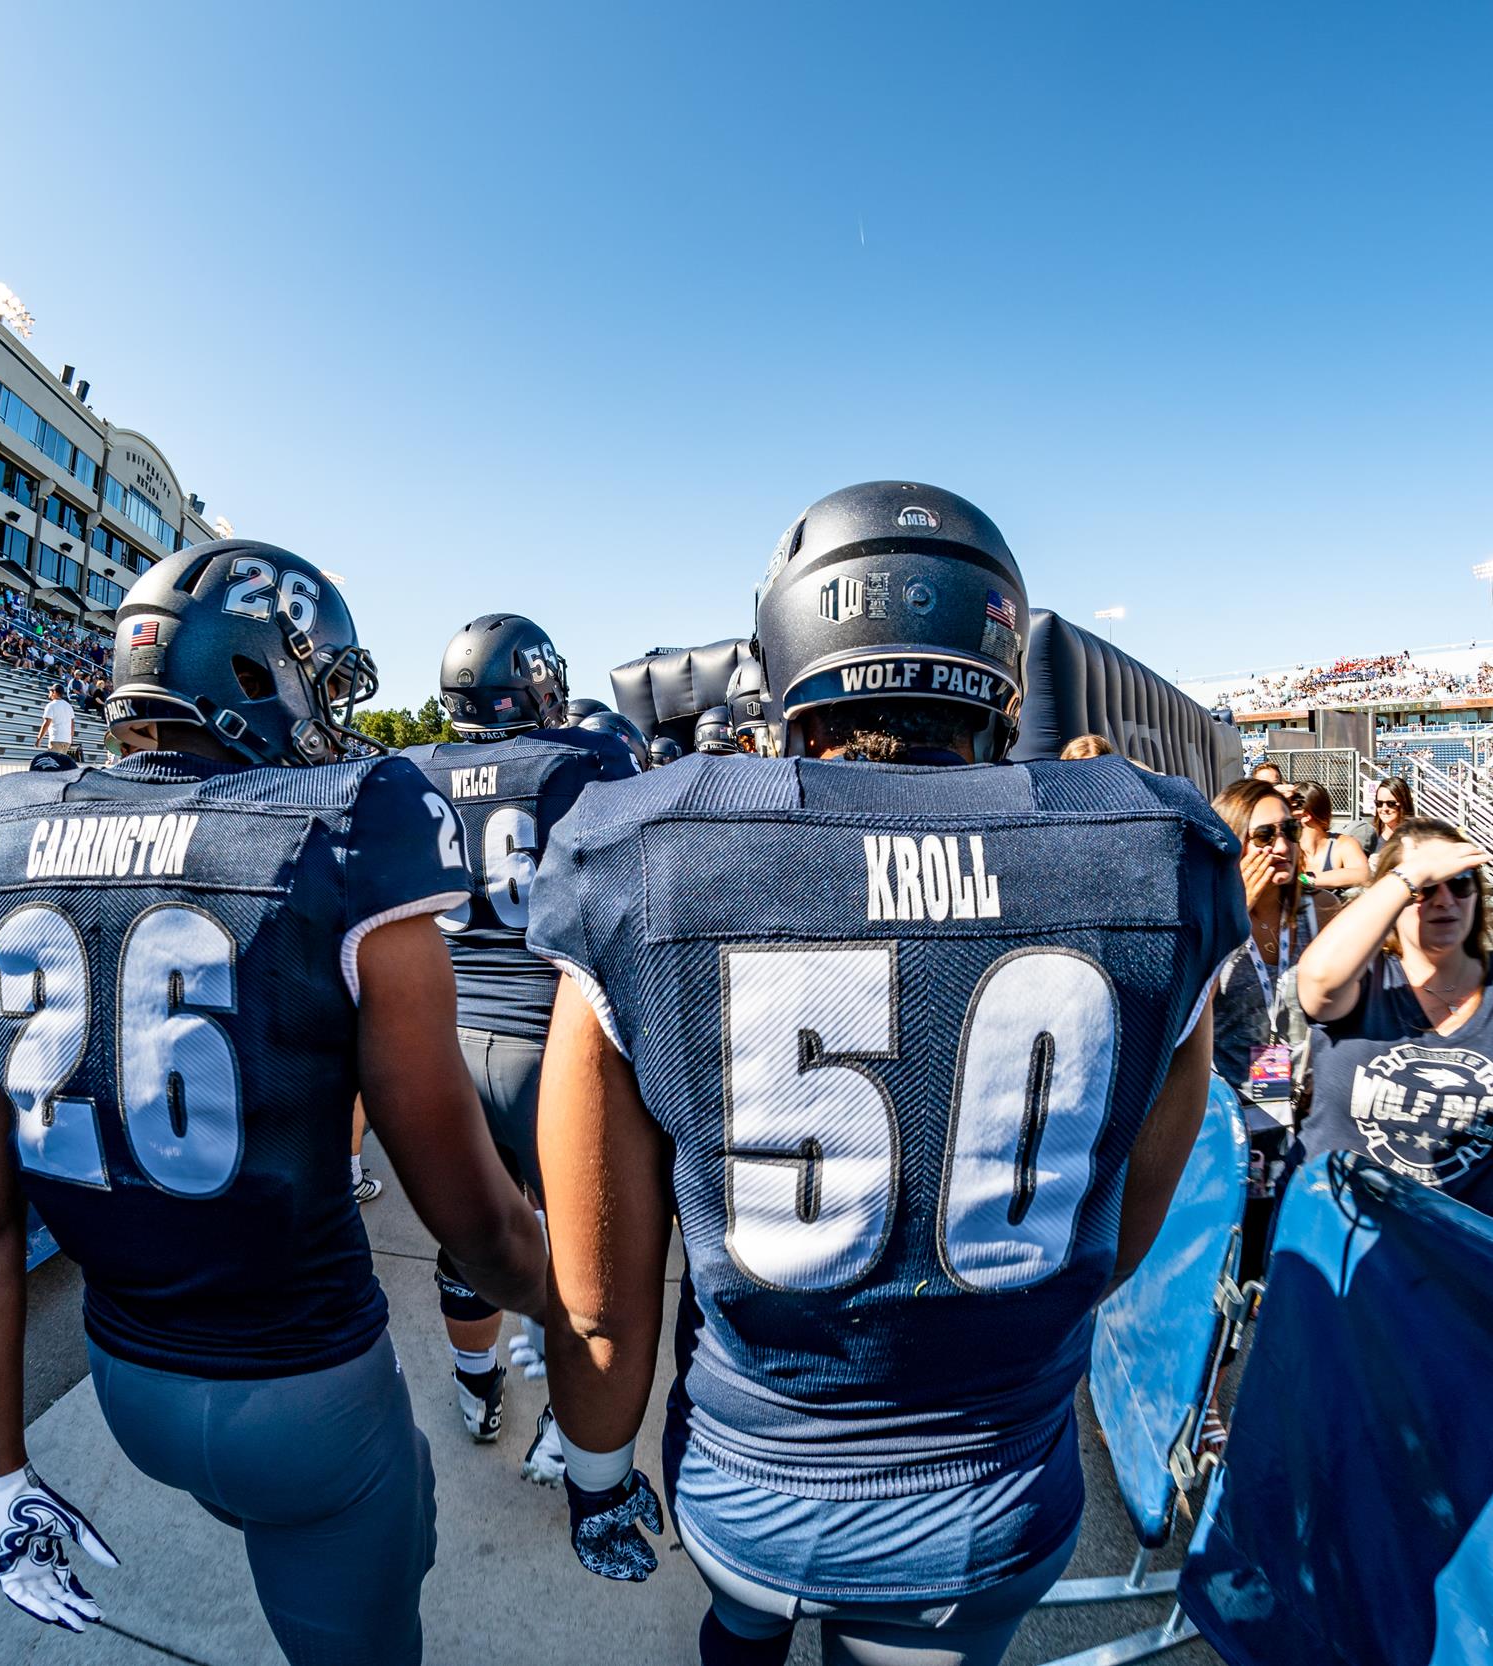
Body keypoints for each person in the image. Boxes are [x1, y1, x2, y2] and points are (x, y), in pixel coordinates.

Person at [530, 482, 1243, 1665]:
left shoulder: (644, 849)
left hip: (746, 1478)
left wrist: (599, 1478)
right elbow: (1113, 1236)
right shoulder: (1160, 854)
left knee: (739, 1630)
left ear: (786, 656)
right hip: (987, 1488)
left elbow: (600, 1298)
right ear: (1000, 661)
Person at [0, 540, 546, 1661]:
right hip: (302, 1382)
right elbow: (475, 1219)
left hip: (126, 1375)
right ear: (262, 674)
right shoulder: (347, 821)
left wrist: (0, 1472)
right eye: (319, 675)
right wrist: (575, 1311)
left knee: (392, 1503)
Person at [399, 613, 637, 1481]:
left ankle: (476, 1389)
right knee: (582, 1253)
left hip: (441, 1044)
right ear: (531, 681)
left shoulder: (407, 770)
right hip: (551, 1045)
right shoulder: (582, 759)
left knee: (471, 1240)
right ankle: (567, 1430)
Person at [1294, 816, 1493, 1247]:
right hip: (1345, 1249)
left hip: (1475, 1258)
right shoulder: (1363, 979)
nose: (1444, 899)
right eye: (1426, 889)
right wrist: (1408, 875)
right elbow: (1316, 982)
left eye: (1459, 883)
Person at [1209, 778, 1314, 1281]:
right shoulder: (1208, 918)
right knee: (1232, 1270)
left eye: (1290, 830)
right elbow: (1187, 1008)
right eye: (1264, 835)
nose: (1281, 845)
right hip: (1226, 1124)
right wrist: (1233, 916)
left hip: (1297, 1118)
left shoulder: (1317, 916)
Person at [1291, 782, 1370, 906]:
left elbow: (1363, 875)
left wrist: (1305, 880)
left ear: (1305, 815)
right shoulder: (1288, 846)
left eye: (1289, 808)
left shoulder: (1343, 844)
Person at [1351, 775, 1412, 856]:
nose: (1384, 808)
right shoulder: (1369, 839)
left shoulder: (1414, 840)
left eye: (1391, 803)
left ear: (1404, 803)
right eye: (1379, 803)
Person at [33, 681, 78, 759]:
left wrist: (39, 739)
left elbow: (46, 723)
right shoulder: (68, 706)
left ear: (54, 692)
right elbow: (72, 725)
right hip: (66, 740)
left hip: (56, 738)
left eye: (50, 691)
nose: (49, 693)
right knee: (61, 765)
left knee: (53, 763)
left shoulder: (51, 705)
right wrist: (71, 739)